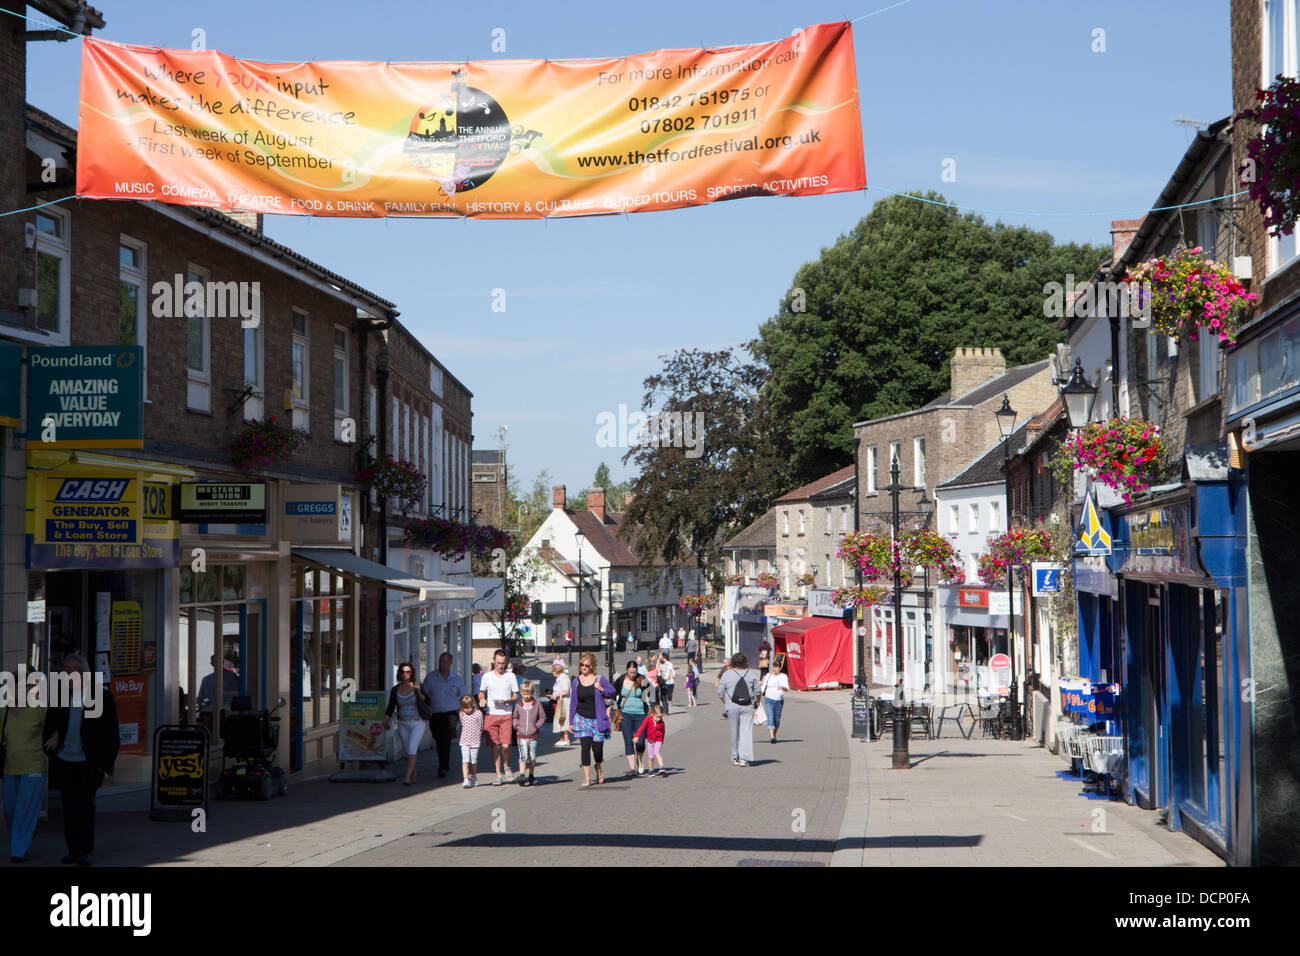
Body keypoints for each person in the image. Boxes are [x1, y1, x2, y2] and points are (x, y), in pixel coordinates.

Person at [43, 654, 119, 866]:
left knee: (85, 806)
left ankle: (85, 849)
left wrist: (105, 765)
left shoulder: (101, 698)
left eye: (71, 671)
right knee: (69, 808)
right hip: (65, 760)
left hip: (89, 763)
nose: (66, 675)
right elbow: (51, 726)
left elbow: (111, 734)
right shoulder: (60, 697)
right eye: (64, 671)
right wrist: (53, 740)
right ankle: (72, 849)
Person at [2, 672, 47, 862]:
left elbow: (56, 728)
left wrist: (55, 738)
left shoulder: (39, 709)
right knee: (10, 810)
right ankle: (24, 838)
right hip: (10, 767)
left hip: (33, 765)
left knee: (24, 810)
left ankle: (18, 851)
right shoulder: (4, 710)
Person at [567, 653, 616, 788]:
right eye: (581, 665)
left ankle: (598, 767)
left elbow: (612, 691)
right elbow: (573, 703)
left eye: (586, 665)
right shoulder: (576, 681)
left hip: (597, 719)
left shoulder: (599, 679)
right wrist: (571, 721)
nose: (583, 667)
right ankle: (587, 778)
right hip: (581, 718)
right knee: (585, 748)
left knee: (597, 750)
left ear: (592, 666)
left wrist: (602, 689)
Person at [384, 662, 430, 785]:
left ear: (412, 673)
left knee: (412, 748)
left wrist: (418, 691)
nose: (406, 674)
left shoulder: (416, 685)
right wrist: (385, 721)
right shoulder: (396, 689)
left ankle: (407, 776)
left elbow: (426, 699)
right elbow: (391, 706)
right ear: (400, 673)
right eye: (403, 672)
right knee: (407, 751)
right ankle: (413, 772)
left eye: (408, 671)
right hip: (403, 723)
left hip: (417, 723)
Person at [478, 649, 519, 785]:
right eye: (498, 663)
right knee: (495, 745)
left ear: (505, 662)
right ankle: (498, 773)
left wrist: (509, 700)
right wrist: (482, 699)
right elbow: (481, 692)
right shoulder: (487, 676)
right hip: (491, 713)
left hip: (506, 713)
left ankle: (506, 765)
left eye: (502, 663)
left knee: (506, 745)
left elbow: (516, 694)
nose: (500, 666)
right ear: (494, 662)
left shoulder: (510, 676)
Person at [421, 652, 466, 778]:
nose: (442, 664)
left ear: (451, 663)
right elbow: (424, 695)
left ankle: (443, 767)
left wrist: (463, 711)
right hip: (435, 714)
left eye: (445, 661)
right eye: (441, 661)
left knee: (446, 739)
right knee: (439, 739)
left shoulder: (457, 679)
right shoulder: (431, 677)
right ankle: (443, 763)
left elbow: (463, 696)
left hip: (451, 714)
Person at [717, 653, 759, 768]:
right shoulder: (750, 674)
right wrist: (757, 702)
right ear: (745, 662)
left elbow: (720, 692)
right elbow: (758, 691)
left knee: (734, 732)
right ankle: (744, 759)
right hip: (747, 706)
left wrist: (726, 703)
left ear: (733, 662)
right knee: (746, 732)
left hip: (732, 707)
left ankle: (735, 756)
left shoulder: (727, 674)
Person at [612, 661, 649, 776]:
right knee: (628, 741)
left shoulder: (642, 680)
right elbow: (613, 692)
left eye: (634, 672)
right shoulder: (621, 680)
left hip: (640, 714)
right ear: (627, 670)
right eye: (630, 672)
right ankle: (632, 768)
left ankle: (639, 760)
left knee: (640, 742)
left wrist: (653, 706)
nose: (632, 675)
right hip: (625, 714)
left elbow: (652, 692)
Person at [512, 681, 545, 786]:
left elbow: (542, 717)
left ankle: (531, 774)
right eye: (524, 694)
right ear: (521, 693)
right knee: (523, 755)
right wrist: (516, 726)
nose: (526, 696)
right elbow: (515, 717)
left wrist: (536, 726)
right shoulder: (518, 705)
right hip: (521, 735)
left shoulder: (537, 704)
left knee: (532, 756)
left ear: (532, 693)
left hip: (533, 734)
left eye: (528, 694)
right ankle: (522, 775)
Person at [197, 650, 239, 732]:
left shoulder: (232, 677)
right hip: (211, 712)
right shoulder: (207, 679)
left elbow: (236, 695)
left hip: (226, 711)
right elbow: (200, 699)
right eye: (213, 661)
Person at [760, 661, 790, 743]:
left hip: (779, 700)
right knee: (770, 717)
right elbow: (763, 686)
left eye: (777, 667)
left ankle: (774, 734)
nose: (775, 669)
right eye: (774, 667)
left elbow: (787, 688)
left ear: (780, 668)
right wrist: (759, 694)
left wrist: (782, 688)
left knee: (777, 719)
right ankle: (772, 736)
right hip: (769, 699)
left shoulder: (783, 676)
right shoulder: (768, 675)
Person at [632, 705, 668, 776]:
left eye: (660, 717)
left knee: (656, 752)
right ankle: (651, 770)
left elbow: (663, 731)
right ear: (652, 714)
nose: (659, 719)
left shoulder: (661, 722)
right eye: (657, 717)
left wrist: (662, 739)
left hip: (658, 739)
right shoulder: (648, 719)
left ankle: (661, 767)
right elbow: (642, 727)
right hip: (650, 740)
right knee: (650, 756)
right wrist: (637, 736)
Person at [457, 695, 483, 788]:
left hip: (475, 741)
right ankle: (466, 779)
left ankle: (474, 776)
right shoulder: (462, 714)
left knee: (474, 761)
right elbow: (462, 724)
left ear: (473, 705)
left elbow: (480, 726)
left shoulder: (478, 713)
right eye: (465, 708)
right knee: (465, 761)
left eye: (469, 707)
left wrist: (478, 737)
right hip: (464, 741)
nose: (467, 710)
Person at [550, 662, 572, 746]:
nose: (552, 673)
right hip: (560, 701)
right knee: (560, 720)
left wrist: (555, 695)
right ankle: (562, 738)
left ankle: (566, 738)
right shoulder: (560, 678)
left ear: (556, 671)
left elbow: (566, 691)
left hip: (564, 702)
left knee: (564, 719)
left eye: (553, 671)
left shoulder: (563, 678)